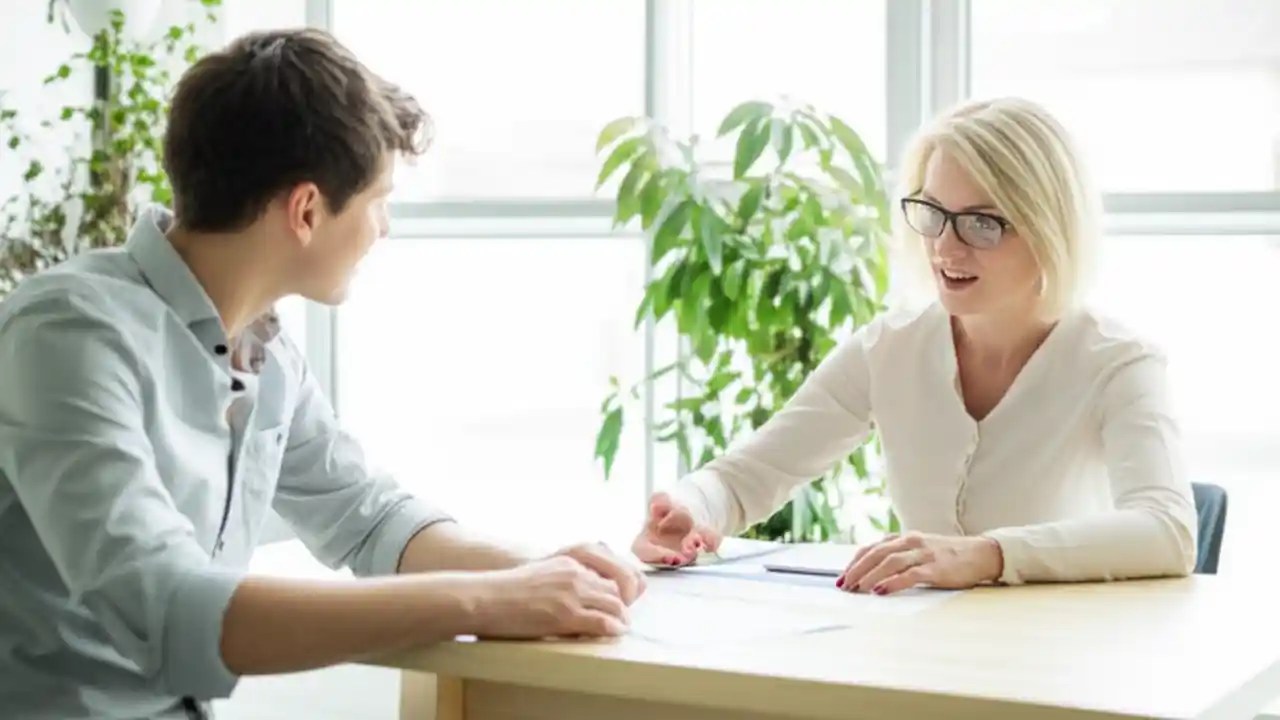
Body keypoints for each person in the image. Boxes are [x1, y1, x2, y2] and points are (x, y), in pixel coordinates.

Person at [0, 29, 644, 720]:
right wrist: (483, 600)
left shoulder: (264, 352)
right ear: (306, 211)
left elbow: (369, 520)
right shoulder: (68, 332)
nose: (384, 227)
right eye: (378, 199)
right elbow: (171, 607)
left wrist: (540, 568)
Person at [632, 97, 1198, 595]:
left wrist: (986, 555)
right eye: (932, 212)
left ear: (1049, 228)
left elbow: (1168, 531)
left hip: (1066, 667)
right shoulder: (890, 349)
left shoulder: (1120, 363)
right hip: (926, 656)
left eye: (982, 223)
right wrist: (690, 510)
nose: (945, 247)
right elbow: (742, 478)